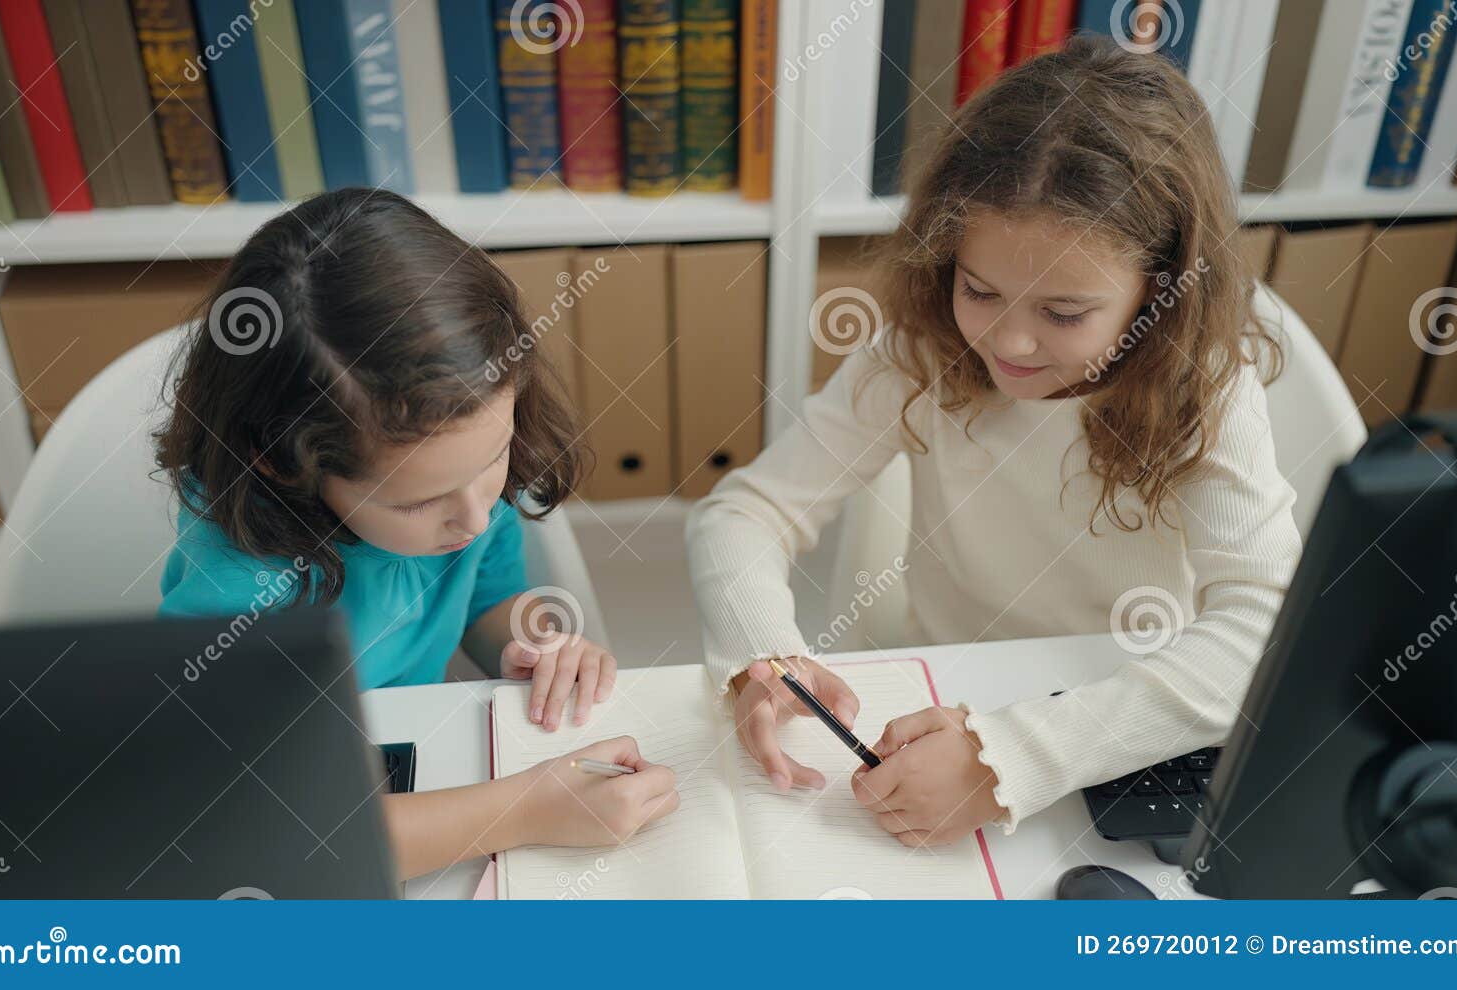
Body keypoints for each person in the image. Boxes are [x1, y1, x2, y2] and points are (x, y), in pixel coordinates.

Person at [686, 36, 1301, 847]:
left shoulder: (1207, 387)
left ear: (1163, 291)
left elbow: (1261, 633)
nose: (1009, 343)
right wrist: (766, 656)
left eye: (1064, 313)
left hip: (1124, 718)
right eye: (980, 290)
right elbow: (743, 512)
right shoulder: (920, 348)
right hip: (952, 682)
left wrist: (1007, 757)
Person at [155, 189, 675, 876]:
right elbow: (270, 829)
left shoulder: (463, 483)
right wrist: (526, 810)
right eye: (418, 504)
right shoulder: (237, 592)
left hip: (407, 765)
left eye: (493, 459)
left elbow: (491, 600)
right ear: (285, 466)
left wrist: (532, 643)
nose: (477, 516)